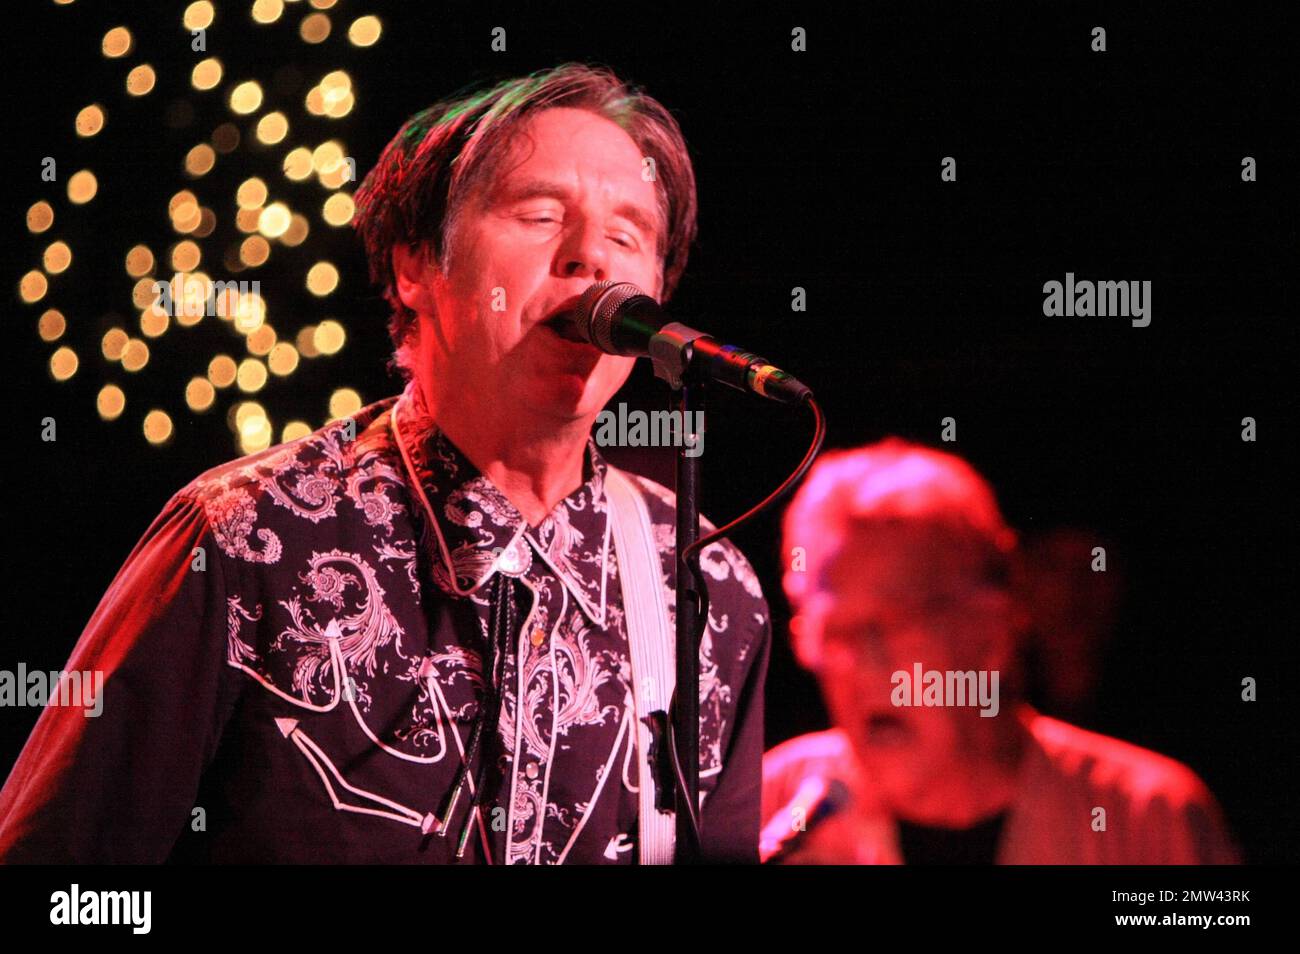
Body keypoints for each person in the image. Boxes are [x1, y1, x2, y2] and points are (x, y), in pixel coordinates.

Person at [0, 63, 770, 864]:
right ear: (416, 268)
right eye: (541, 215)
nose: (590, 260)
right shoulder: (245, 536)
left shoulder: (706, 583)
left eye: (627, 236)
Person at [761, 438, 1238, 864]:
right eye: (835, 632)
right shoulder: (769, 806)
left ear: (990, 635)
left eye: (892, 625)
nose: (860, 665)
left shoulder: (1147, 818)